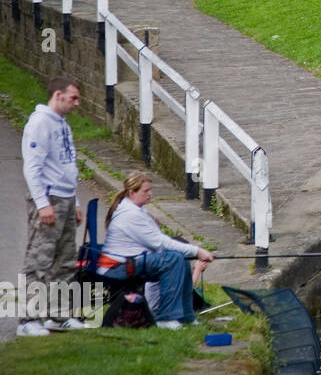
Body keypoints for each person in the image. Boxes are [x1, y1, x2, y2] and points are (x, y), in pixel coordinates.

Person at [99, 174, 215, 329]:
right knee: (173, 259)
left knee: (180, 257)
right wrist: (197, 250)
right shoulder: (130, 214)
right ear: (132, 193)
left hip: (132, 262)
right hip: (117, 267)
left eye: (150, 190)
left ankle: (186, 316)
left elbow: (158, 242)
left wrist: (191, 253)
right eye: (145, 191)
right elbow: (160, 243)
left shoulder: (139, 211)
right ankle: (165, 318)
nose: (150, 194)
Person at [18, 78, 85, 336]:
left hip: (65, 198)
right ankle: (27, 320)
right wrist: (42, 203)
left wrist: (75, 200)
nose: (76, 104)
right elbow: (32, 167)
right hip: (49, 199)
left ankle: (58, 315)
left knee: (65, 261)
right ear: (58, 95)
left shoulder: (62, 124)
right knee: (38, 260)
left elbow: (66, 166)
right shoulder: (40, 123)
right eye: (73, 98)